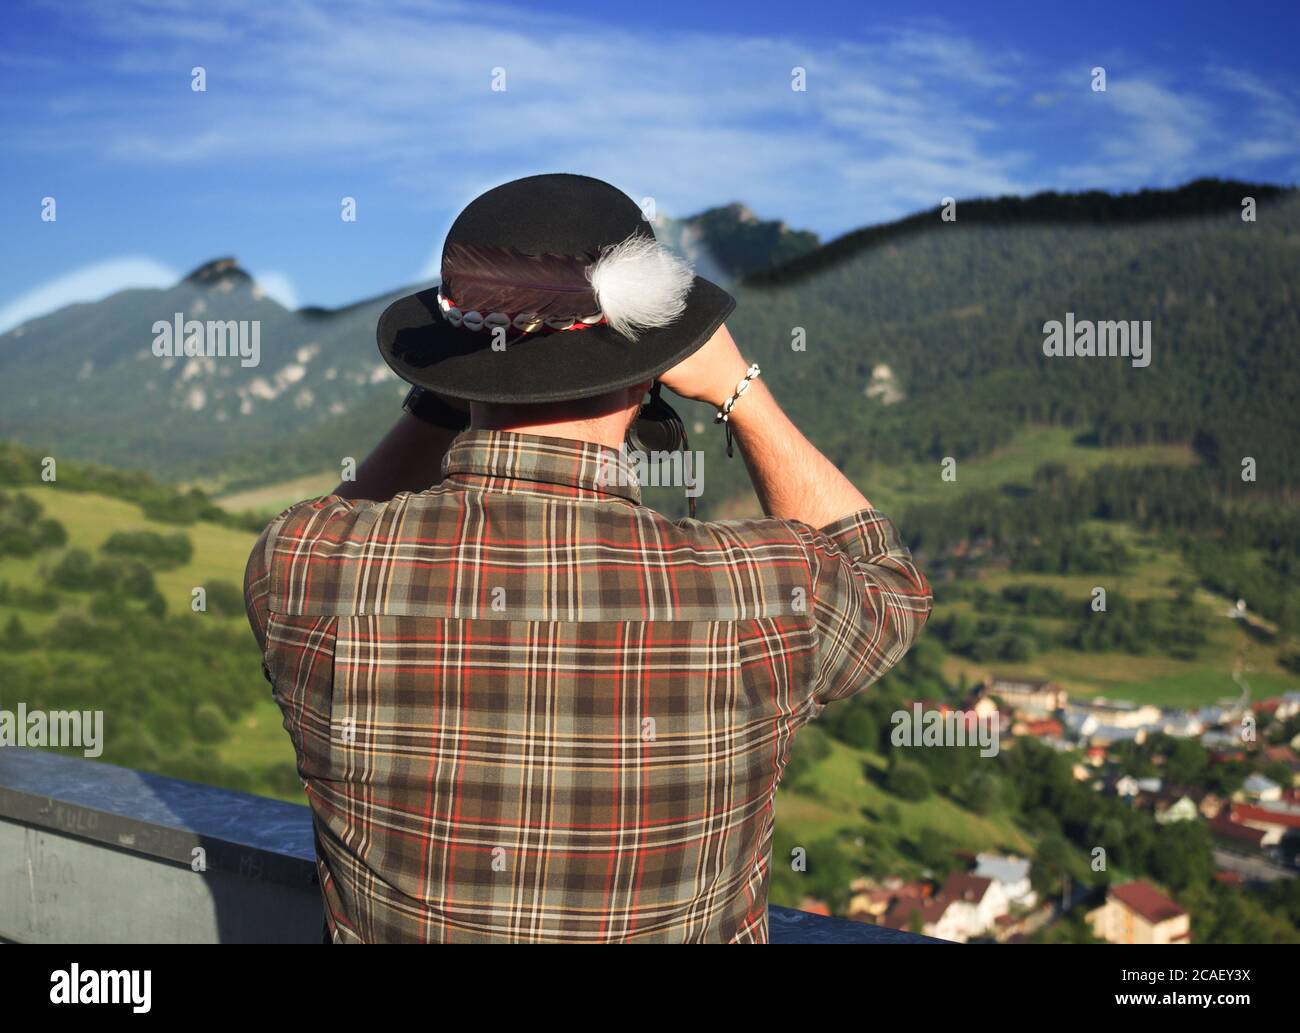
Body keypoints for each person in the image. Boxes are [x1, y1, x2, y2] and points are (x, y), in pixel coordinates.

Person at [244, 173, 931, 942]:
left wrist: (446, 390)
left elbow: (351, 514)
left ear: (456, 367)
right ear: (654, 371)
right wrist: (741, 390)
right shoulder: (766, 590)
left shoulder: (302, 566)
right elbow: (890, 583)